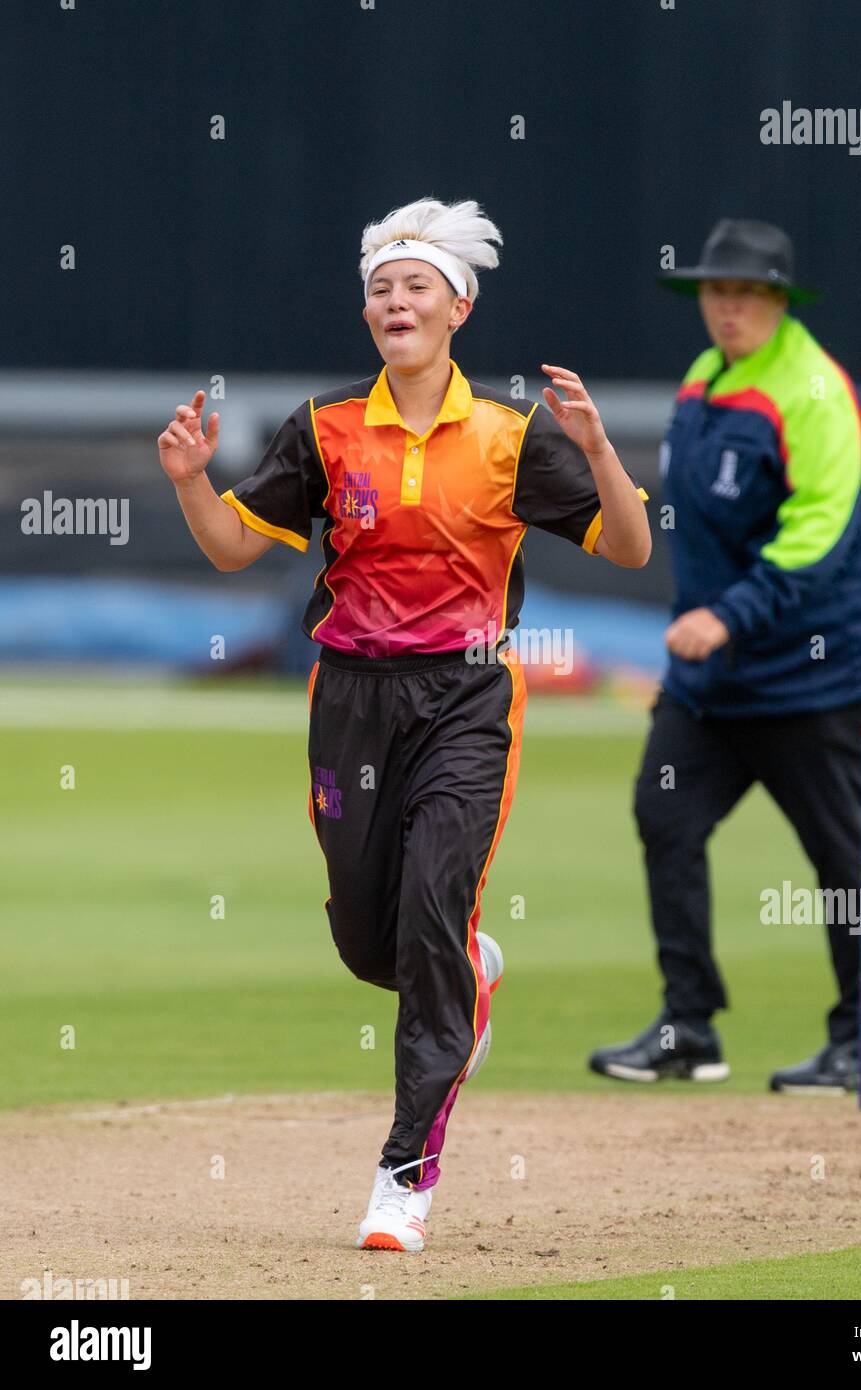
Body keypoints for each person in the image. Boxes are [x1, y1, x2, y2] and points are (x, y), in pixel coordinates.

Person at [158, 197, 651, 1252]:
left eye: (415, 284)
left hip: (468, 700)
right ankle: (467, 975)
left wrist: (600, 449)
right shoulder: (325, 427)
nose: (394, 300)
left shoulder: (511, 435)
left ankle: (402, 1179)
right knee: (368, 941)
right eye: (380, 286)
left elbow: (627, 549)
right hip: (348, 700)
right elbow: (232, 551)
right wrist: (192, 482)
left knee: (431, 908)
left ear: (458, 306)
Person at [587, 219, 861, 1096]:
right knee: (665, 819)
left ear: (777, 299)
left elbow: (822, 531)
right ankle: (688, 1026)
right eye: (715, 290)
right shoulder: (702, 380)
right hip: (714, 672)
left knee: (836, 856)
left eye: (746, 293)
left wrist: (729, 614)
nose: (727, 306)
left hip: (821, 666)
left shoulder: (813, 389)